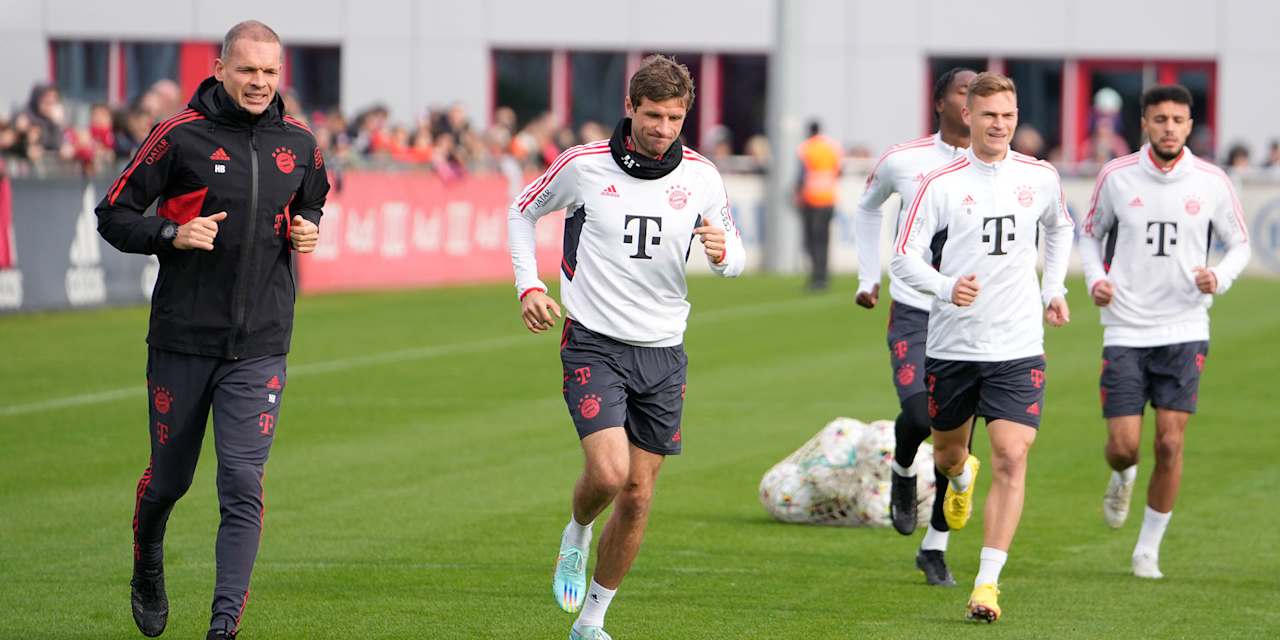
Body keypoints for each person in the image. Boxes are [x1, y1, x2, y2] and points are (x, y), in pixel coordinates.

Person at [95, 20, 329, 640]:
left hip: (261, 345)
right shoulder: (178, 136)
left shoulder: (302, 142)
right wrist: (172, 233)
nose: (259, 83)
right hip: (182, 340)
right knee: (171, 479)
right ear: (221, 68)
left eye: (270, 72)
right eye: (248, 70)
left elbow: (312, 201)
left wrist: (307, 227)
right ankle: (147, 558)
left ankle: (222, 628)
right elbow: (112, 216)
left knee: (242, 482)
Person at [507, 54, 745, 640]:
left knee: (638, 497)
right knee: (610, 474)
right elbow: (521, 211)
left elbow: (733, 258)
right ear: (629, 109)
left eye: (675, 117)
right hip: (594, 341)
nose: (664, 129)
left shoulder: (702, 177)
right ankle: (577, 530)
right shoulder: (582, 166)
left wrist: (722, 253)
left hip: (663, 350)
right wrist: (528, 285)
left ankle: (592, 622)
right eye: (654, 115)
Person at [890, 72, 1073, 623]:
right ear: (967, 116)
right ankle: (959, 477)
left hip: (1018, 344)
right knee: (948, 455)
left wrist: (1054, 286)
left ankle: (987, 584)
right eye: (990, 115)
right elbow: (903, 257)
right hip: (953, 344)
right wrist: (946, 287)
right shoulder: (940, 183)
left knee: (1013, 457)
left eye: (1009, 116)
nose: (1000, 125)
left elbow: (1060, 229)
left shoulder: (1040, 177)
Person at [1079, 84, 1250, 580]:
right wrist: (1096, 279)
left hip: (1185, 324)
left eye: (1178, 119)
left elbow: (1239, 244)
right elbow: (1089, 235)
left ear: (1190, 125)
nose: (1169, 127)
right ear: (1145, 124)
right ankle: (1122, 474)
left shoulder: (1212, 181)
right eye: (1160, 119)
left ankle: (1147, 549)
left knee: (1171, 444)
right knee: (1123, 446)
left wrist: (1219, 276)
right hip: (1126, 326)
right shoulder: (1115, 176)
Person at [854, 67, 976, 586]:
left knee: (961, 444)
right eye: (964, 93)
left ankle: (936, 547)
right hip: (915, 308)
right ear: (940, 102)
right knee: (921, 414)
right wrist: (867, 276)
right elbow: (866, 209)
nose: (974, 103)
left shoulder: (1007, 168)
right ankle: (904, 469)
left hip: (974, 318)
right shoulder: (904, 160)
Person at [795, 120, 842, 290]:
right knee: (824, 241)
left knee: (811, 241)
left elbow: (801, 175)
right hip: (829, 198)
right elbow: (838, 171)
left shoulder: (806, 148)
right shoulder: (832, 147)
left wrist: (796, 194)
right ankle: (823, 277)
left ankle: (816, 277)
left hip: (811, 199)